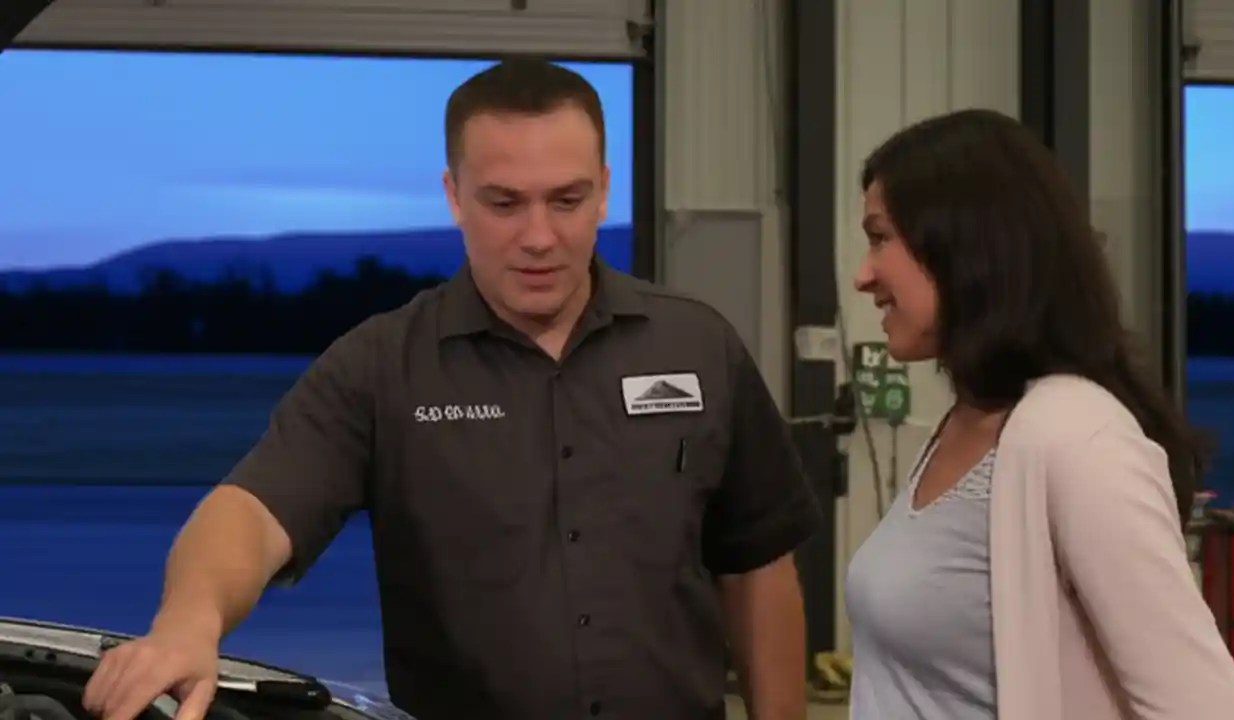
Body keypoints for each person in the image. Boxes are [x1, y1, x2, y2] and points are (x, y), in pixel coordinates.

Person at [81, 58, 820, 720]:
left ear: (603, 193)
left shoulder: (697, 346)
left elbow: (754, 561)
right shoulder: (383, 365)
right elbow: (252, 511)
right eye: (504, 203)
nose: (538, 236)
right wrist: (189, 621)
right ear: (453, 195)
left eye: (566, 200)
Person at [842, 108, 1234, 719]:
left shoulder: (1075, 438)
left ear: (965, 244)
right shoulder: (969, 423)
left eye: (880, 237)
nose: (862, 275)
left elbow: (1203, 709)